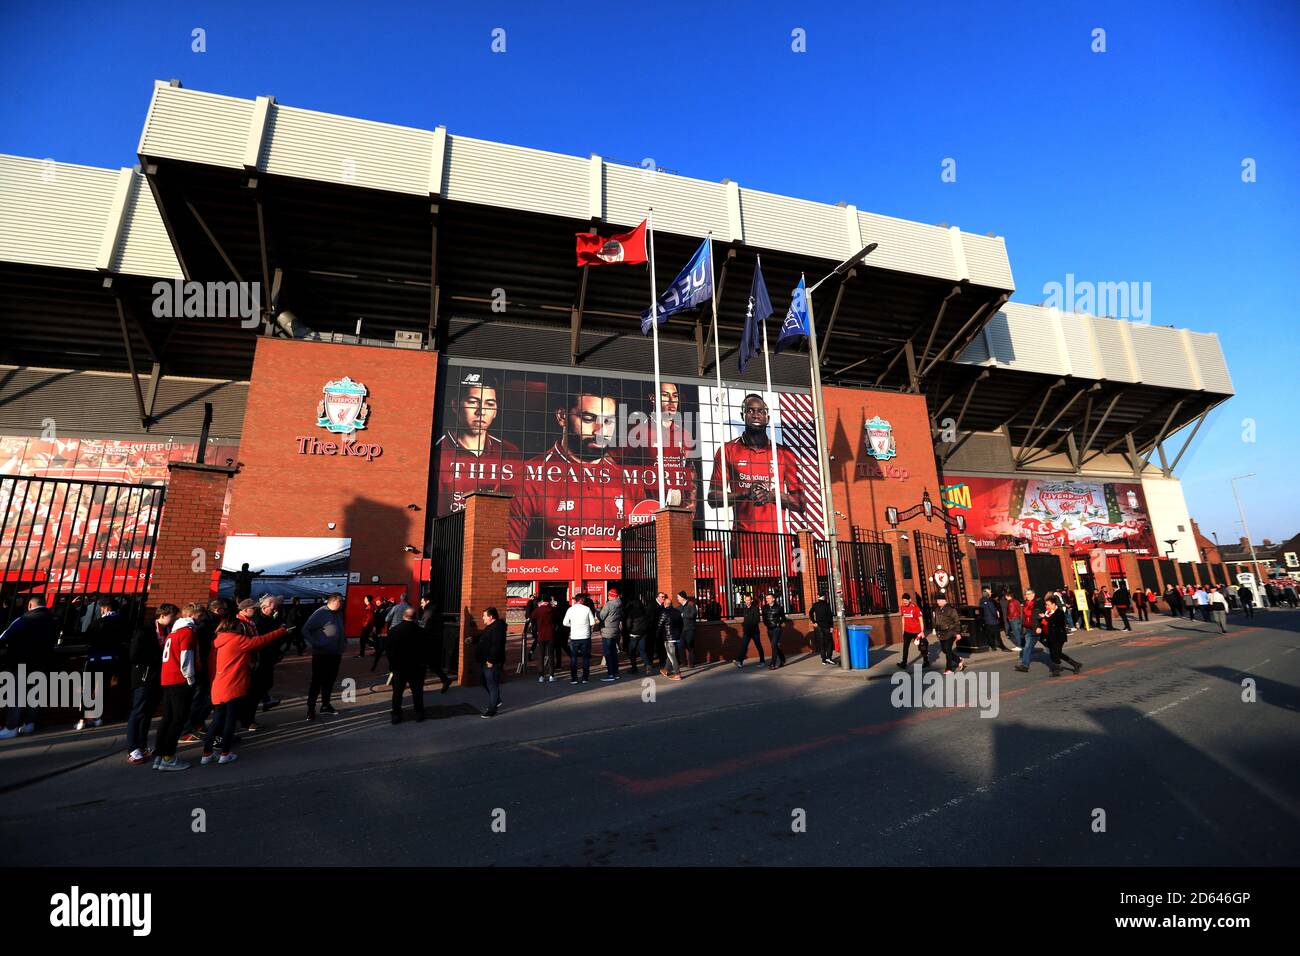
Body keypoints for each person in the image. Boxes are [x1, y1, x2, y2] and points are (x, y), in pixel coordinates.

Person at [706, 393, 807, 533]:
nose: (755, 415)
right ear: (743, 416)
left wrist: (772, 496)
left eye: (761, 411)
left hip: (778, 540)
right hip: (742, 540)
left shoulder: (784, 453)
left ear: (767, 417)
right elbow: (713, 498)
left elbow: (800, 504)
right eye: (750, 411)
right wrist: (745, 494)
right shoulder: (727, 450)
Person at [201, 617, 291, 764]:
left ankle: (207, 753)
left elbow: (212, 667)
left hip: (218, 685)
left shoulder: (216, 643)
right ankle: (225, 752)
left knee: (216, 721)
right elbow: (262, 640)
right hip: (233, 685)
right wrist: (281, 631)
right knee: (230, 720)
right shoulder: (238, 640)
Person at [0, 596, 59, 738]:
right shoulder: (54, 620)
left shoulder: (24, 619)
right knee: (35, 695)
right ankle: (29, 724)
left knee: (16, 695)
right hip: (42, 662)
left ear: (30, 605)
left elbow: (3, 637)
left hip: (21, 661)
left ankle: (11, 727)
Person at [154, 603, 203, 771]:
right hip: (179, 680)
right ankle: (168, 757)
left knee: (168, 719)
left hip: (167, 679)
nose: (201, 619)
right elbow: (186, 659)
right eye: (200, 616)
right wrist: (190, 679)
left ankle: (160, 756)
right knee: (178, 720)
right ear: (194, 615)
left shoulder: (174, 632)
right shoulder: (187, 632)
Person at [125, 604, 176, 764]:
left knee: (148, 713)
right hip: (144, 677)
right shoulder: (145, 631)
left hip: (158, 678)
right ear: (163, 615)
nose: (173, 619)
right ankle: (132, 749)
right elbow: (134, 655)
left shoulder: (167, 631)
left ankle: (142, 745)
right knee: (138, 712)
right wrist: (156, 657)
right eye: (172, 616)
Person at [76, 596, 130, 730]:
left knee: (88, 689)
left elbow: (87, 638)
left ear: (104, 608)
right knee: (103, 688)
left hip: (95, 658)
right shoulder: (123, 622)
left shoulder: (98, 622)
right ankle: (98, 717)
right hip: (113, 659)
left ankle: (85, 718)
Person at [304, 593, 346, 720]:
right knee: (317, 682)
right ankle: (310, 709)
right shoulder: (320, 613)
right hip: (322, 654)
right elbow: (305, 630)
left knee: (330, 680)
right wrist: (317, 643)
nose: (342, 604)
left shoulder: (338, 612)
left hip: (335, 653)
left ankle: (325, 705)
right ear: (333, 602)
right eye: (341, 602)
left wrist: (343, 642)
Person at [386, 607, 428, 724]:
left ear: (403, 616)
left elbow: (388, 650)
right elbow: (426, 650)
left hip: (399, 667)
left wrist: (392, 665)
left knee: (398, 692)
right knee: (417, 691)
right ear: (415, 618)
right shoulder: (422, 632)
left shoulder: (394, 631)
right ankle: (419, 713)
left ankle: (396, 714)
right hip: (417, 667)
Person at [474, 607, 507, 717]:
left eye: (484, 616)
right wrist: (473, 639)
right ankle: (496, 700)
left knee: (492, 684)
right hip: (485, 660)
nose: (483, 618)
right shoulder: (490, 627)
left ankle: (492, 709)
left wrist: (491, 660)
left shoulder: (497, 628)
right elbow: (484, 637)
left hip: (492, 661)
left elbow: (496, 645)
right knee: (484, 681)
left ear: (491, 617)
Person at [1041, 595, 1083, 677]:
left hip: (1059, 636)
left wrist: (1046, 618)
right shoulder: (1047, 613)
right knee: (1057, 653)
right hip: (1050, 636)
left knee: (1055, 652)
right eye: (1046, 605)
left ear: (1053, 604)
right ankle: (1075, 664)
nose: (1047, 606)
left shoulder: (1059, 612)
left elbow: (1057, 622)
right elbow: (1044, 623)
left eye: (1048, 604)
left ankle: (1056, 670)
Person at [417, 595, 452, 693]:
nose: (421, 604)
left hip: (429, 641)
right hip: (434, 640)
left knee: (422, 664)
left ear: (427, 601)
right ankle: (445, 679)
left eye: (422, 602)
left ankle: (418, 686)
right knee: (432, 664)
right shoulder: (433, 610)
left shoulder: (429, 612)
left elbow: (424, 627)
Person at [563, 593, 596, 684]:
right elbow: (592, 622)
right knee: (585, 658)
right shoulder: (587, 609)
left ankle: (574, 678)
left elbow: (565, 623)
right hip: (585, 636)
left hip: (574, 636)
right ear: (581, 600)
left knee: (574, 658)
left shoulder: (570, 609)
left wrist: (573, 625)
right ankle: (585, 678)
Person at [933, 593, 965, 674]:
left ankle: (949, 668)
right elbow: (935, 620)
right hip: (941, 633)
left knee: (948, 649)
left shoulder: (951, 609)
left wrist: (957, 633)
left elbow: (957, 621)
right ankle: (959, 660)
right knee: (945, 650)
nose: (938, 602)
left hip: (950, 632)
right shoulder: (937, 609)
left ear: (944, 601)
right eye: (937, 600)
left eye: (939, 600)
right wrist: (935, 629)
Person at [656, 592, 684, 680]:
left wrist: (658, 635)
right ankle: (666, 669)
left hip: (668, 638)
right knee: (670, 654)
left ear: (665, 604)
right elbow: (681, 624)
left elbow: (659, 625)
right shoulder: (677, 612)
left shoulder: (664, 612)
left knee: (672, 655)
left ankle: (677, 673)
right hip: (676, 637)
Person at [896, 592, 928, 668]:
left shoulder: (915, 608)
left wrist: (922, 631)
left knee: (921, 647)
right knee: (905, 647)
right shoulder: (902, 607)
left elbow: (920, 620)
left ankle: (926, 661)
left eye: (906, 601)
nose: (905, 602)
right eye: (903, 601)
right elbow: (903, 619)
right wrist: (903, 630)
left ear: (910, 600)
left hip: (916, 632)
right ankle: (904, 663)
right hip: (907, 632)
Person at [530, 595, 558, 682]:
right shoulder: (553, 609)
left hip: (541, 635)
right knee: (551, 655)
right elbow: (557, 618)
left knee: (541, 655)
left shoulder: (539, 609)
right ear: (550, 600)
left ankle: (541, 676)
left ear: (542, 600)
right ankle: (551, 675)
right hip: (551, 634)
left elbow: (531, 616)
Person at [598, 587, 624, 682]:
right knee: (613, 652)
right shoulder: (620, 603)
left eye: (609, 595)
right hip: (615, 630)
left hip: (607, 631)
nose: (608, 597)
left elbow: (601, 616)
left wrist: (598, 612)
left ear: (612, 596)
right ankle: (615, 672)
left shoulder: (609, 604)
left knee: (608, 653)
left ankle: (611, 674)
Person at [622, 595, 651, 675]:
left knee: (632, 651)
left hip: (634, 633)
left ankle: (634, 668)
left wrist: (629, 630)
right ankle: (648, 665)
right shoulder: (644, 611)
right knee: (642, 651)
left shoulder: (631, 612)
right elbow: (647, 622)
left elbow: (628, 623)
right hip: (643, 633)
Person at [735, 593, 765, 668]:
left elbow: (757, 620)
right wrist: (744, 624)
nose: (747, 601)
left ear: (751, 600)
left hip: (754, 632)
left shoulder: (755, 608)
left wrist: (748, 625)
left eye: (748, 600)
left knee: (758, 646)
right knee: (744, 646)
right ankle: (740, 661)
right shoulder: (745, 609)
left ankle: (762, 661)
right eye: (746, 600)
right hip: (747, 632)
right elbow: (746, 620)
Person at [1014, 589, 1040, 673]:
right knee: (1027, 647)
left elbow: (1041, 616)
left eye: (1028, 594)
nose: (1026, 596)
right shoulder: (1025, 604)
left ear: (1033, 595)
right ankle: (1025, 665)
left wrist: (1039, 626)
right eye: (1025, 594)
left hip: (1037, 629)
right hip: (1028, 629)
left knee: (1050, 647)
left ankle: (1058, 662)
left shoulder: (1038, 603)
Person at [761, 593, 788, 669]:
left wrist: (779, 623)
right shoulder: (765, 607)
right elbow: (764, 618)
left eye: (769, 598)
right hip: (769, 629)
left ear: (773, 599)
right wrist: (766, 624)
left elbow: (783, 618)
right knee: (775, 645)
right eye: (766, 598)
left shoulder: (779, 607)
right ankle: (782, 659)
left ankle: (773, 664)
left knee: (773, 645)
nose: (767, 600)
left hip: (777, 629)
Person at [978, 586, 1010, 651]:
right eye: (989, 592)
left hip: (987, 621)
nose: (991, 593)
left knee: (990, 635)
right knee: (997, 635)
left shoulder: (981, 601)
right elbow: (993, 611)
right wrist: (997, 615)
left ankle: (993, 646)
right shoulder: (989, 601)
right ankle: (1003, 647)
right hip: (993, 621)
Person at [809, 591, 835, 665]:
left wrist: (814, 622)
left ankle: (823, 659)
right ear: (823, 596)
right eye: (824, 596)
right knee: (829, 642)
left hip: (819, 627)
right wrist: (831, 626)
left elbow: (810, 613)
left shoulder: (815, 605)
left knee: (822, 643)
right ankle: (828, 658)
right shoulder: (827, 605)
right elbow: (830, 617)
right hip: (826, 626)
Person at [677, 591, 698, 668]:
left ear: (682, 598)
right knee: (680, 646)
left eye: (678, 597)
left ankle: (691, 663)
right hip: (682, 630)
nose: (677, 599)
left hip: (690, 629)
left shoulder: (691, 605)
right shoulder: (679, 607)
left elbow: (693, 614)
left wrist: (683, 615)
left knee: (690, 646)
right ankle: (683, 662)